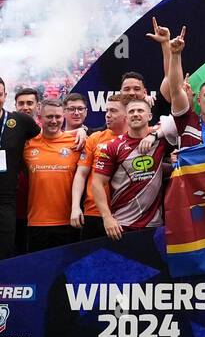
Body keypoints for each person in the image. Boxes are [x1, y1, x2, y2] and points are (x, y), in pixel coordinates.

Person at [91, 98, 176, 237]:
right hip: (121, 225)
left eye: (140, 110)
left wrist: (153, 135)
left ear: (150, 116)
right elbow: (97, 183)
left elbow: (178, 120)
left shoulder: (160, 141)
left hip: (154, 225)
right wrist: (107, 218)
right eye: (131, 111)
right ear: (126, 117)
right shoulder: (112, 146)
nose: (135, 114)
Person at [22, 98, 82, 251]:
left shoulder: (77, 142)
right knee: (39, 273)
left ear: (64, 117)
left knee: (68, 273)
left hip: (70, 222)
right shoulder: (28, 145)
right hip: (37, 223)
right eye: (49, 117)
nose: (54, 121)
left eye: (58, 117)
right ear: (40, 118)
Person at [71, 93, 127, 239]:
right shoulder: (95, 138)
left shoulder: (140, 138)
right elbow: (81, 174)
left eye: (113, 111)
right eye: (107, 111)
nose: (108, 115)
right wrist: (75, 206)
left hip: (125, 212)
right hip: (93, 212)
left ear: (127, 114)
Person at [0, 76, 41, 260]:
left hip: (5, 198)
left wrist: (81, 130)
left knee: (6, 250)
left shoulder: (20, 121)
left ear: (5, 96)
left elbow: (50, 136)